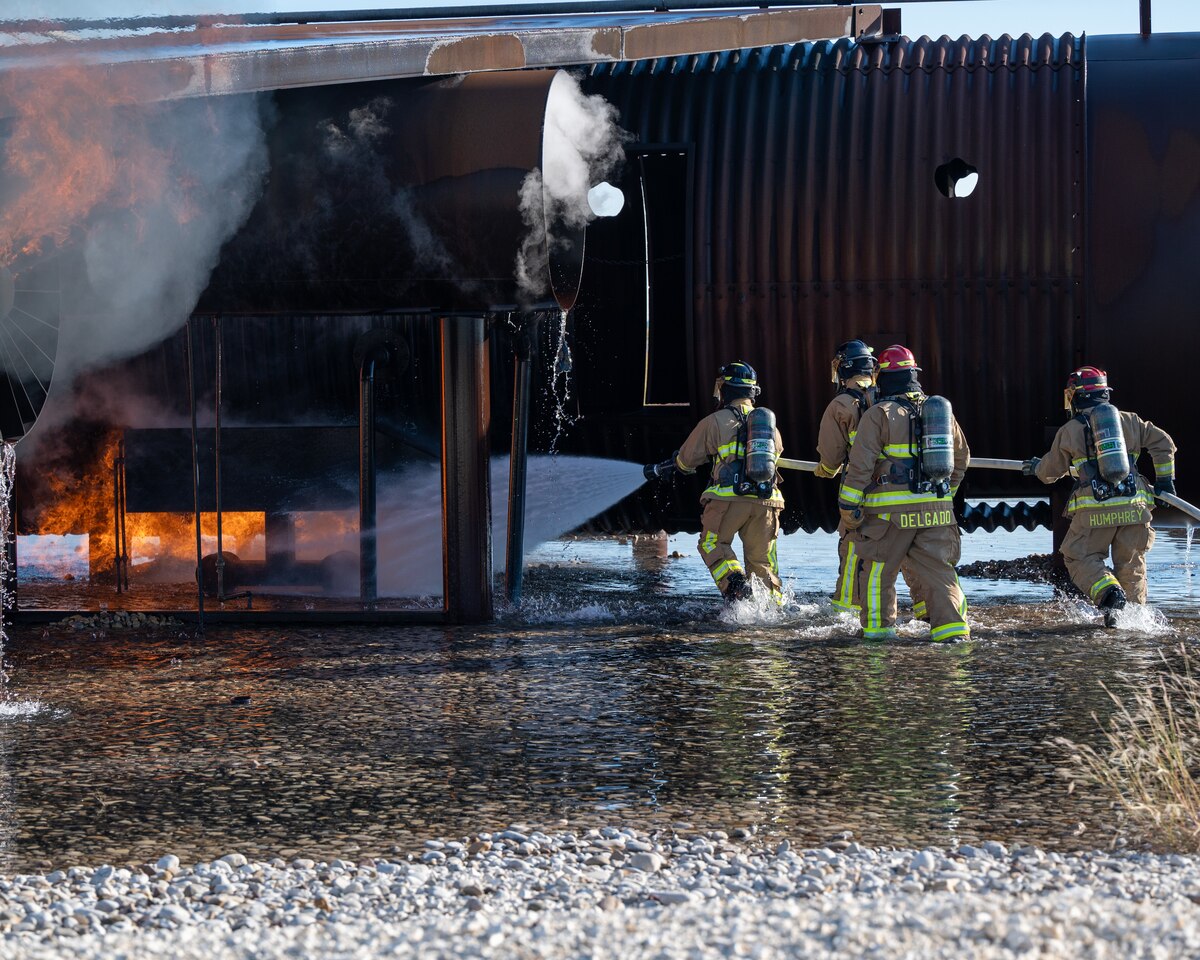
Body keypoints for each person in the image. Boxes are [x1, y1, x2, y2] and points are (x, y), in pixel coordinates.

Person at [1023, 366, 1176, 625]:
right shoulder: (1131, 421)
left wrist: (1037, 467)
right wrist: (1165, 481)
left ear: (1076, 396)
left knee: (1078, 557)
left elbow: (1050, 473)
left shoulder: (1070, 430)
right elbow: (1164, 443)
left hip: (1095, 512)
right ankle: (1132, 623)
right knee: (1132, 567)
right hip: (1135, 509)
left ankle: (1108, 592)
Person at [838, 345, 970, 641]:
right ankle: (954, 634)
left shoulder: (878, 414)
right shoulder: (939, 413)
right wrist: (944, 495)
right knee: (940, 572)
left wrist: (849, 507)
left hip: (889, 517)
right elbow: (961, 459)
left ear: (883, 377)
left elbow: (860, 467)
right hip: (937, 513)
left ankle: (878, 635)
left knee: (877, 572)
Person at [644, 361, 785, 602]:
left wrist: (673, 465)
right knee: (762, 560)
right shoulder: (769, 426)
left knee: (712, 543)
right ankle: (772, 609)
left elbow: (686, 461)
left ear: (726, 389)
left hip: (728, 499)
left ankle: (736, 584)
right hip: (767, 501)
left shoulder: (715, 421)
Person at [816, 340, 929, 619]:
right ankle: (928, 610)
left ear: (842, 369)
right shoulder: (893, 398)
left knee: (855, 552)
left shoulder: (841, 404)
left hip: (862, 494)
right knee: (909, 552)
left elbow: (831, 458)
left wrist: (825, 470)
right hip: (903, 493)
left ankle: (847, 613)